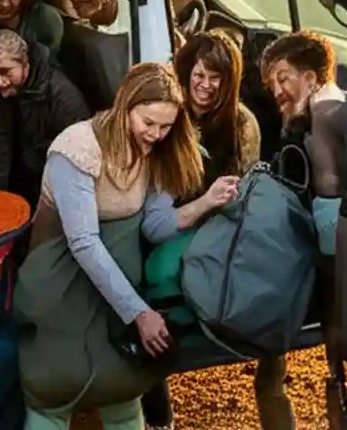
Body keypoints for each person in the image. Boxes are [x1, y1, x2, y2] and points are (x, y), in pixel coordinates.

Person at [13, 62, 238, 430]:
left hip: (115, 290)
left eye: (166, 127)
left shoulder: (155, 152)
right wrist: (139, 313)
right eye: (148, 123)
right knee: (53, 386)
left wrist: (207, 201)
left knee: (122, 386)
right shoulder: (77, 148)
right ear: (125, 106)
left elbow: (156, 225)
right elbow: (83, 241)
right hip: (60, 286)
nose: (156, 134)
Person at [139, 31, 262, 430]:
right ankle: (157, 411)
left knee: (161, 276)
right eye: (200, 75)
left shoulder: (241, 124)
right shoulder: (170, 115)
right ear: (186, 71)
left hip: (216, 224)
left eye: (217, 80)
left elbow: (246, 189)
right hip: (169, 216)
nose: (206, 86)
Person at [258, 29, 347, 430]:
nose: (277, 89)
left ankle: (336, 396)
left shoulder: (329, 113)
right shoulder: (319, 110)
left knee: (329, 309)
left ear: (312, 78)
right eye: (272, 83)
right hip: (321, 223)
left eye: (283, 78)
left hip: (330, 228)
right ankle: (337, 394)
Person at [0, 29, 91, 206]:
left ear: (26, 64)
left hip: (56, 181)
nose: (0, 81)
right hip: (20, 175)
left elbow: (78, 156)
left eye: (6, 72)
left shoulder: (64, 97)